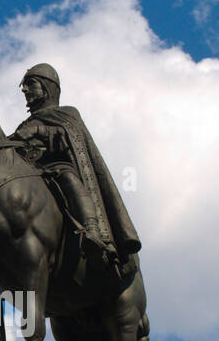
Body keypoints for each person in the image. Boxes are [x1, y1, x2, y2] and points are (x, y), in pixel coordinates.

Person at [9, 64, 141, 276]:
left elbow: (70, 139)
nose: (24, 90)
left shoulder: (67, 114)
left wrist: (41, 131)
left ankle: (93, 232)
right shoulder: (24, 124)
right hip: (31, 177)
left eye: (30, 84)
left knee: (68, 178)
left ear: (47, 88)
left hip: (58, 168)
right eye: (24, 86)